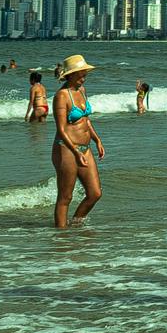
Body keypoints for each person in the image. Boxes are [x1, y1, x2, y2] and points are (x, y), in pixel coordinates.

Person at [50, 55, 104, 227]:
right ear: (70, 74)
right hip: (66, 149)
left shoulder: (82, 90)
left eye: (84, 74)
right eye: (80, 74)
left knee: (95, 193)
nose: (83, 77)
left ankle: (74, 224)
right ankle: (61, 236)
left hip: (85, 148)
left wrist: (97, 140)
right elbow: (61, 129)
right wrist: (75, 151)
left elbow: (86, 120)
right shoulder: (62, 96)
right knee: (66, 197)